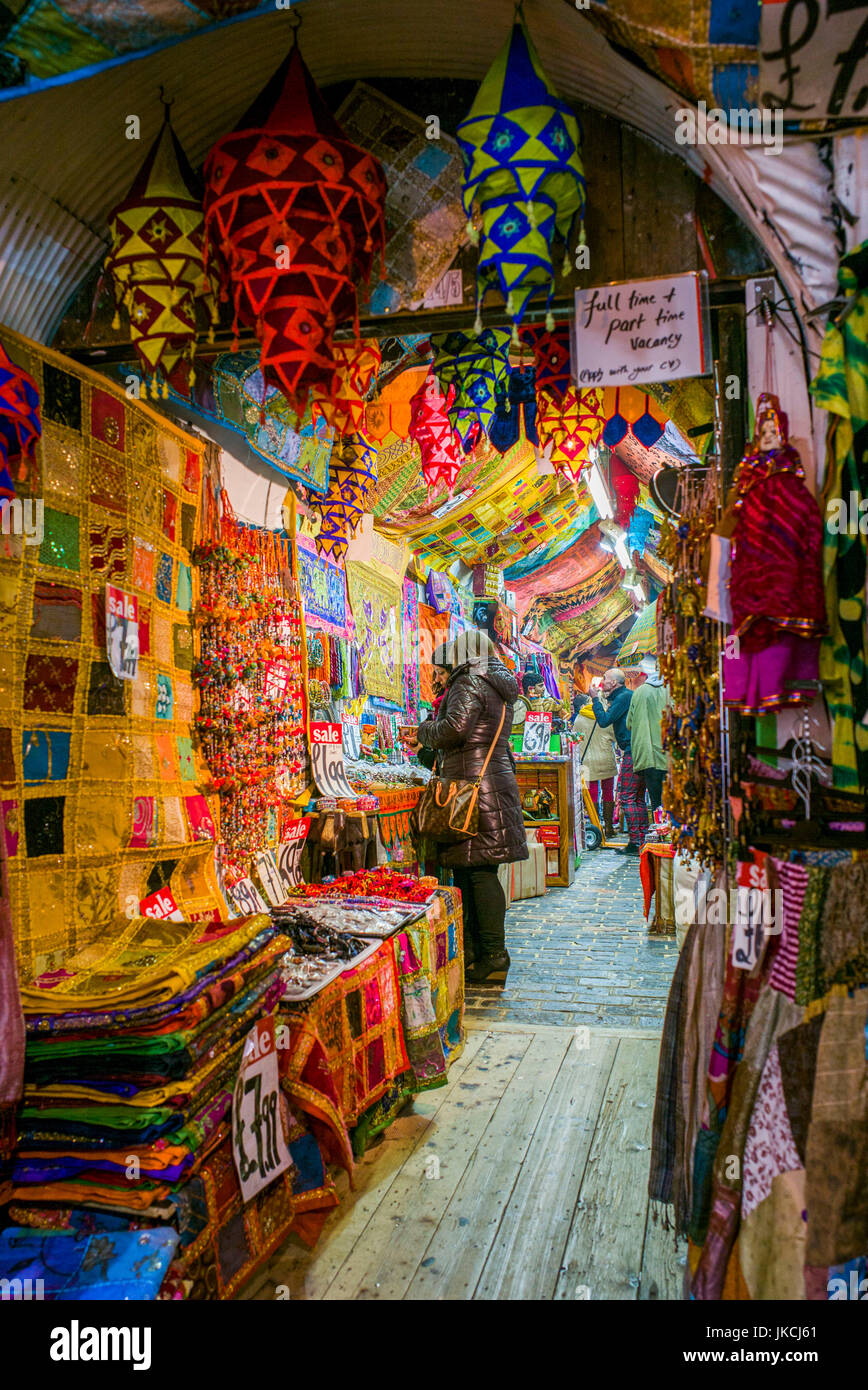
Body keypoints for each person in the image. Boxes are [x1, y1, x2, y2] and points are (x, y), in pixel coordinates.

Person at [406, 631, 528, 985]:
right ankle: (480, 953)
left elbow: (454, 730)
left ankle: (492, 955)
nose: (441, 675)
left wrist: (423, 730)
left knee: (478, 874)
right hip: (489, 782)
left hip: (471, 788)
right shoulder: (495, 683)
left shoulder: (469, 682)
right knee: (475, 872)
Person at [591, 667, 647, 855]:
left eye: (605, 678)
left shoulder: (623, 697)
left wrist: (595, 699)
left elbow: (604, 720)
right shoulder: (625, 696)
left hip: (633, 750)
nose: (602, 682)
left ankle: (635, 841)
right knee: (637, 797)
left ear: (614, 683)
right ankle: (641, 839)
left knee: (627, 797)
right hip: (637, 749)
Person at [570, 690, 618, 839]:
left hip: (586, 761)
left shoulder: (579, 718)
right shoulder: (605, 716)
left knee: (591, 794)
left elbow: (574, 739)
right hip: (605, 757)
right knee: (608, 792)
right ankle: (609, 827)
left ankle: (596, 827)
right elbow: (614, 737)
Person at [626, 655, 668, 812]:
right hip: (670, 755)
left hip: (647, 755)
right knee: (674, 803)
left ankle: (660, 832)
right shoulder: (673, 690)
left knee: (657, 804)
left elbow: (629, 723)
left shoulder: (639, 692)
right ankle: (673, 834)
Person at [511, 669, 570, 738]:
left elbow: (564, 719)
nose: (544, 688)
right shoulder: (519, 704)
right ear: (530, 689)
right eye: (540, 685)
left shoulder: (548, 703)